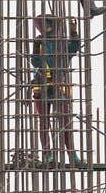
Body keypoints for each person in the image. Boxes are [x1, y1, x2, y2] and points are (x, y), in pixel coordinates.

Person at [30, 14, 80, 160]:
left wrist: (73, 33)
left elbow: (73, 48)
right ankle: (47, 154)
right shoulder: (39, 41)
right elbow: (35, 62)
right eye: (43, 25)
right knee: (44, 121)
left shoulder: (62, 43)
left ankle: (72, 154)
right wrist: (36, 47)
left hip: (59, 88)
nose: (45, 28)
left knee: (65, 122)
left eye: (47, 25)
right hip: (42, 87)